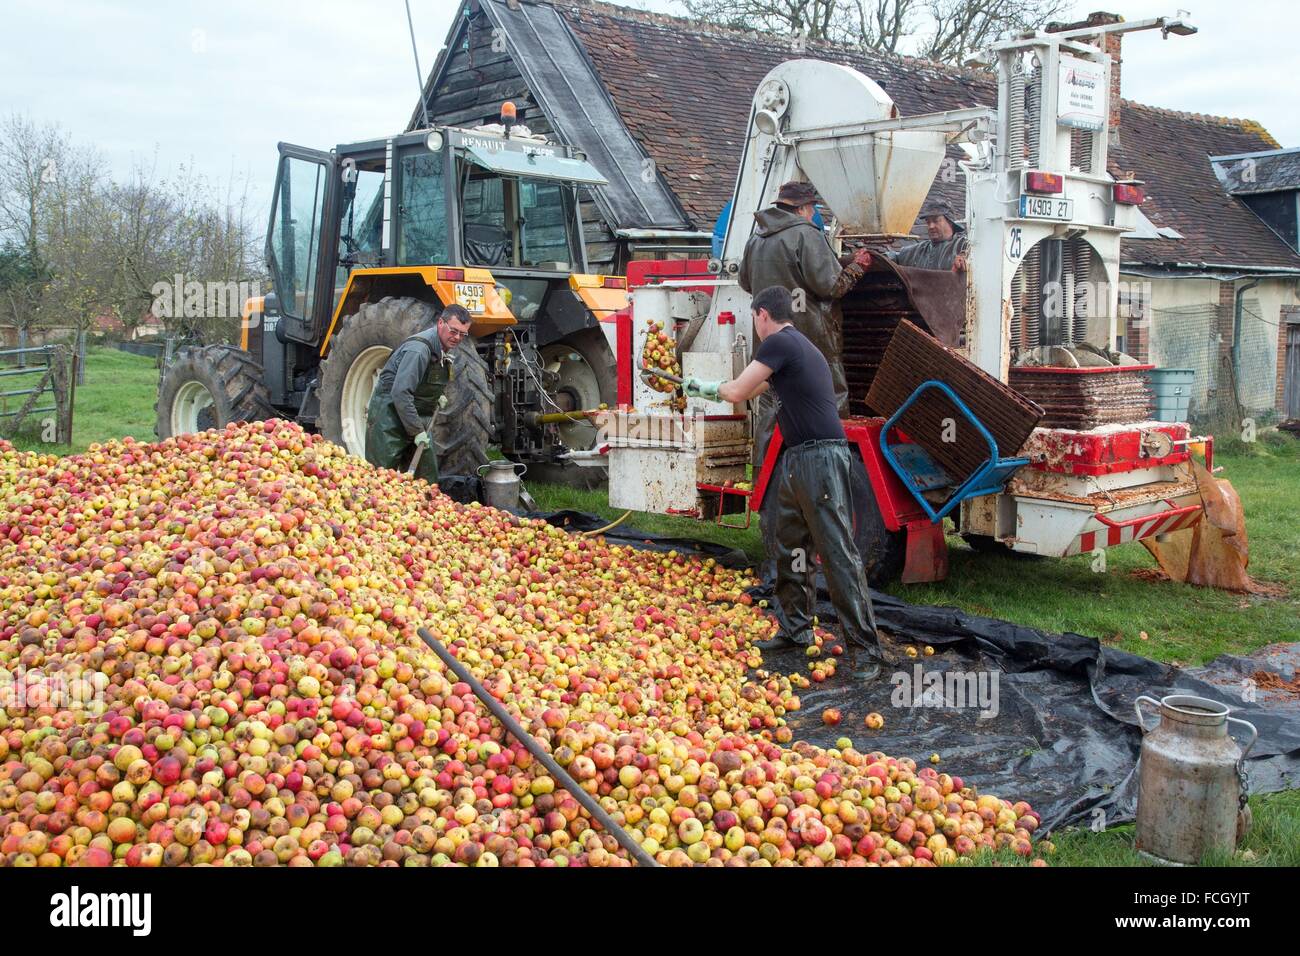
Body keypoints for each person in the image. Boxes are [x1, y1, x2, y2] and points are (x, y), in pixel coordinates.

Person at [683, 285, 884, 680]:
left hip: (820, 458)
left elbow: (737, 390)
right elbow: (751, 390)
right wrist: (712, 389)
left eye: (753, 318)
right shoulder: (794, 349)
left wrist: (702, 387)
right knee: (790, 544)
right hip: (798, 456)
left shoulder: (780, 343)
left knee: (836, 549)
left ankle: (867, 651)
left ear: (761, 315)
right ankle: (794, 630)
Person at [738, 180, 871, 466]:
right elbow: (831, 287)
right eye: (812, 209)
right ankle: (834, 467)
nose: (813, 215)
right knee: (826, 398)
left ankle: (767, 474)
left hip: (769, 338)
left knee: (772, 401)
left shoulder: (756, 239)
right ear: (801, 208)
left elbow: (746, 282)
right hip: (811, 336)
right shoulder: (806, 234)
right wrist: (858, 266)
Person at [364, 304, 474, 482]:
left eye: (463, 334)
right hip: (389, 418)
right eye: (453, 331)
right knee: (381, 481)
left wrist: (434, 395)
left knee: (426, 481)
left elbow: (423, 380)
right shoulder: (419, 350)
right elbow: (400, 393)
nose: (457, 338)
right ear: (440, 323)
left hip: (416, 417)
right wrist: (416, 431)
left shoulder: (442, 347)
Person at [878, 199, 968, 272]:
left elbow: (976, 256)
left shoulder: (964, 245)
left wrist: (967, 259)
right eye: (928, 222)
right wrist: (874, 258)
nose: (931, 226)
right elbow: (894, 257)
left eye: (936, 220)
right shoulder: (917, 251)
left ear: (950, 222)